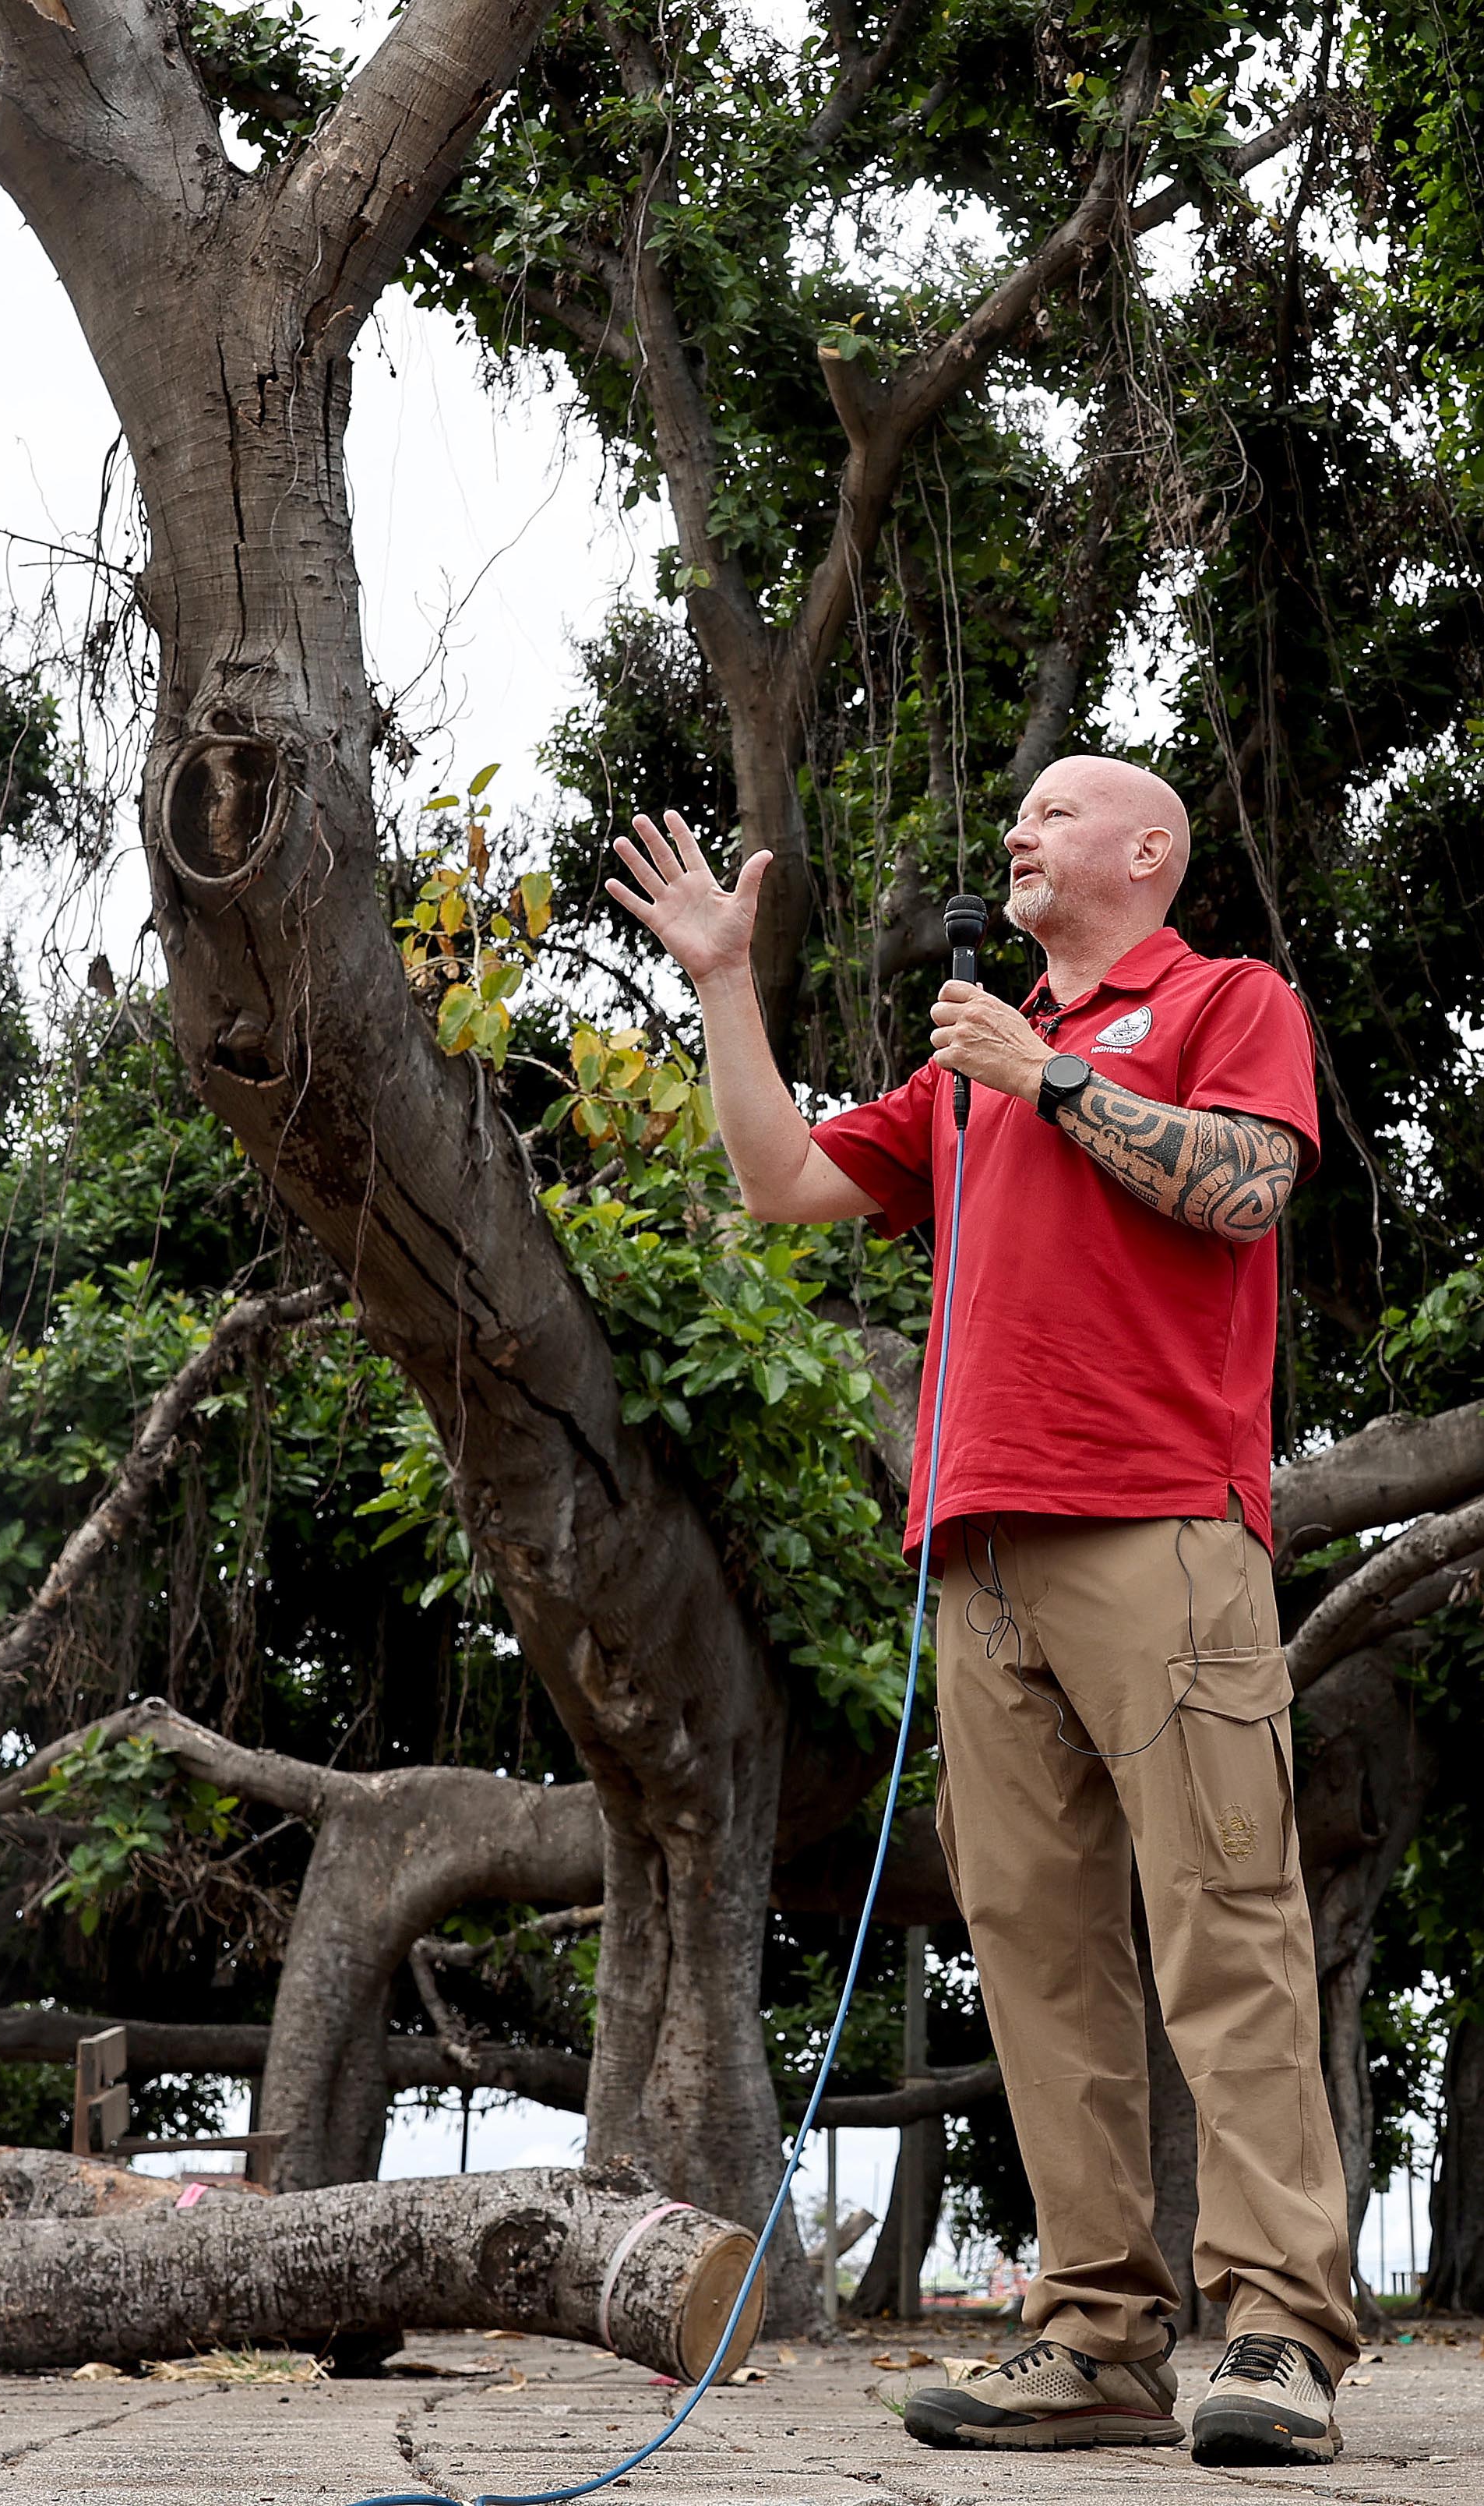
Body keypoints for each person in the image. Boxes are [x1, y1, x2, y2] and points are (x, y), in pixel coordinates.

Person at [605, 754, 1360, 2467]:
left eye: (1059, 812)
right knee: (1032, 1951)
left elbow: (1247, 1185)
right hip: (981, 1562)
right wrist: (726, 986)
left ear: (1148, 850)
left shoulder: (1221, 1001)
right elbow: (781, 1182)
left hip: (1163, 1529)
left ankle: (1283, 2334)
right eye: (1016, 816)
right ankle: (1095, 2335)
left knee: (1227, 1928)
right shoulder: (964, 1073)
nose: (1020, 831)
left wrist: (1054, 1079)